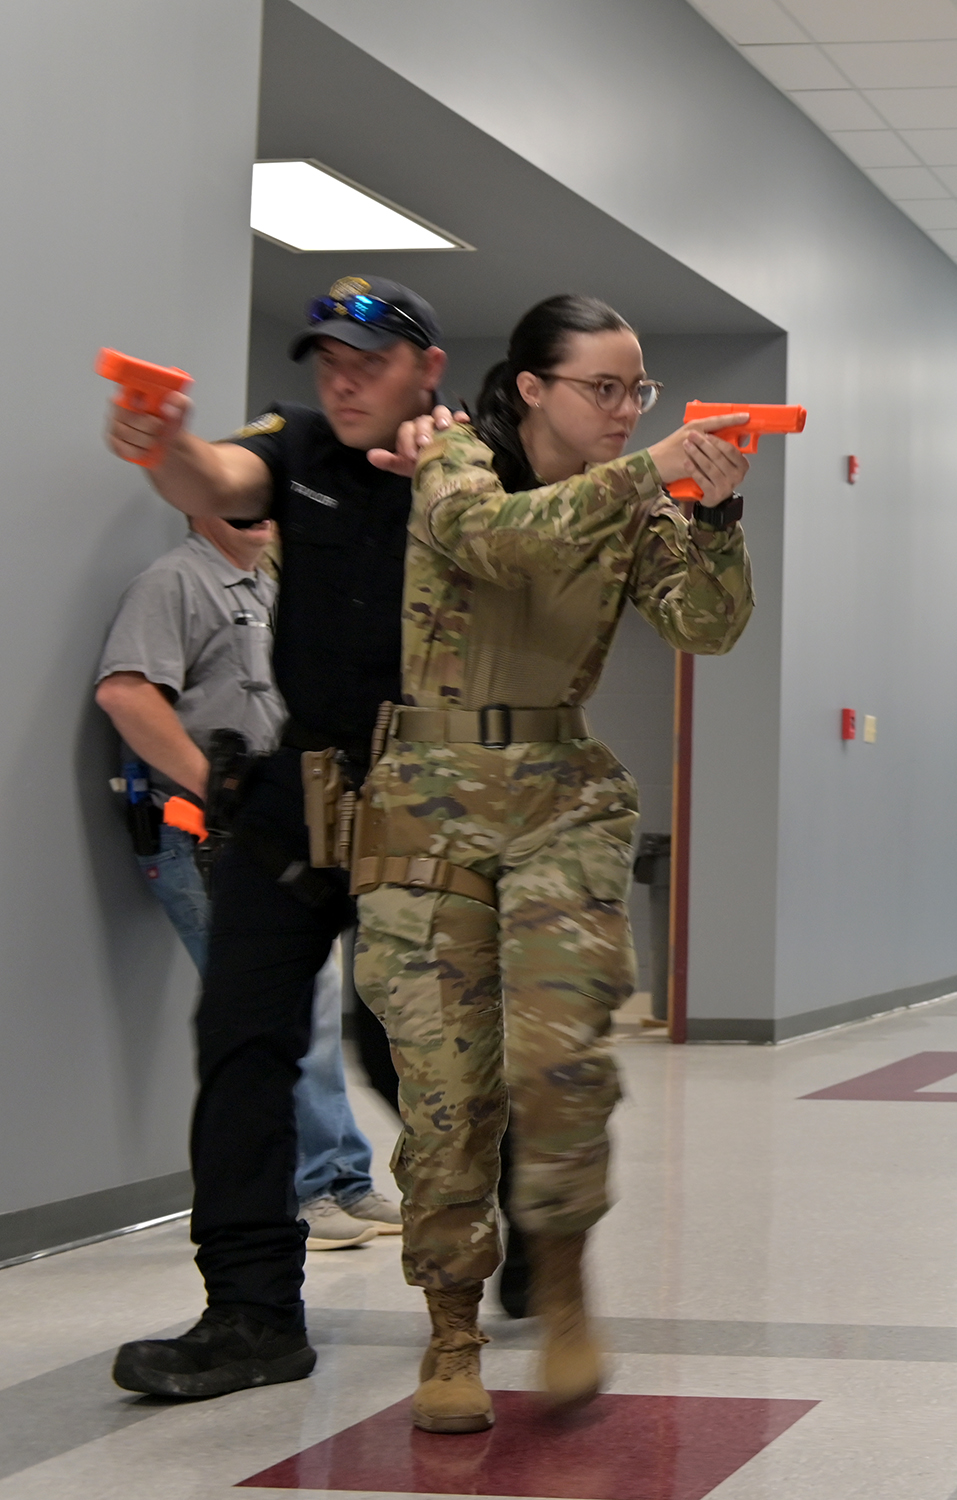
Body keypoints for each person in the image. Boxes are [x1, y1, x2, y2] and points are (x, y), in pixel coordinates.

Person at [354, 294, 754, 1434]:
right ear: (532, 388)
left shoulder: (634, 501)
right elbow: (498, 543)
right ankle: (452, 1325)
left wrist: (719, 519)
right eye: (606, 388)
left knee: (563, 1058)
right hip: (426, 806)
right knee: (446, 1089)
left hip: (562, 798)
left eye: (641, 392)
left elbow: (706, 628)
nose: (629, 411)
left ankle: (568, 1283)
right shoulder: (457, 470)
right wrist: (649, 474)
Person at [106, 277, 452, 1400]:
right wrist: (161, 444)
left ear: (425, 367)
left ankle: (499, 1237)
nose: (341, 379)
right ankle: (251, 1311)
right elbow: (214, 477)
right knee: (243, 1039)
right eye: (327, 359)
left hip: (427, 796)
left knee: (396, 1042)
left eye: (368, 359)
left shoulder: (471, 468)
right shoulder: (294, 444)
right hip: (295, 793)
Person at [95, 518, 400, 1252]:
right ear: (200, 507)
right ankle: (312, 1185)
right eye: (238, 501)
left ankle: (340, 1180)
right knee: (273, 1013)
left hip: (280, 831)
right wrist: (217, 795)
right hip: (202, 832)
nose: (258, 514)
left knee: (316, 1005)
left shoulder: (269, 588)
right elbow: (126, 693)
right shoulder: (176, 582)